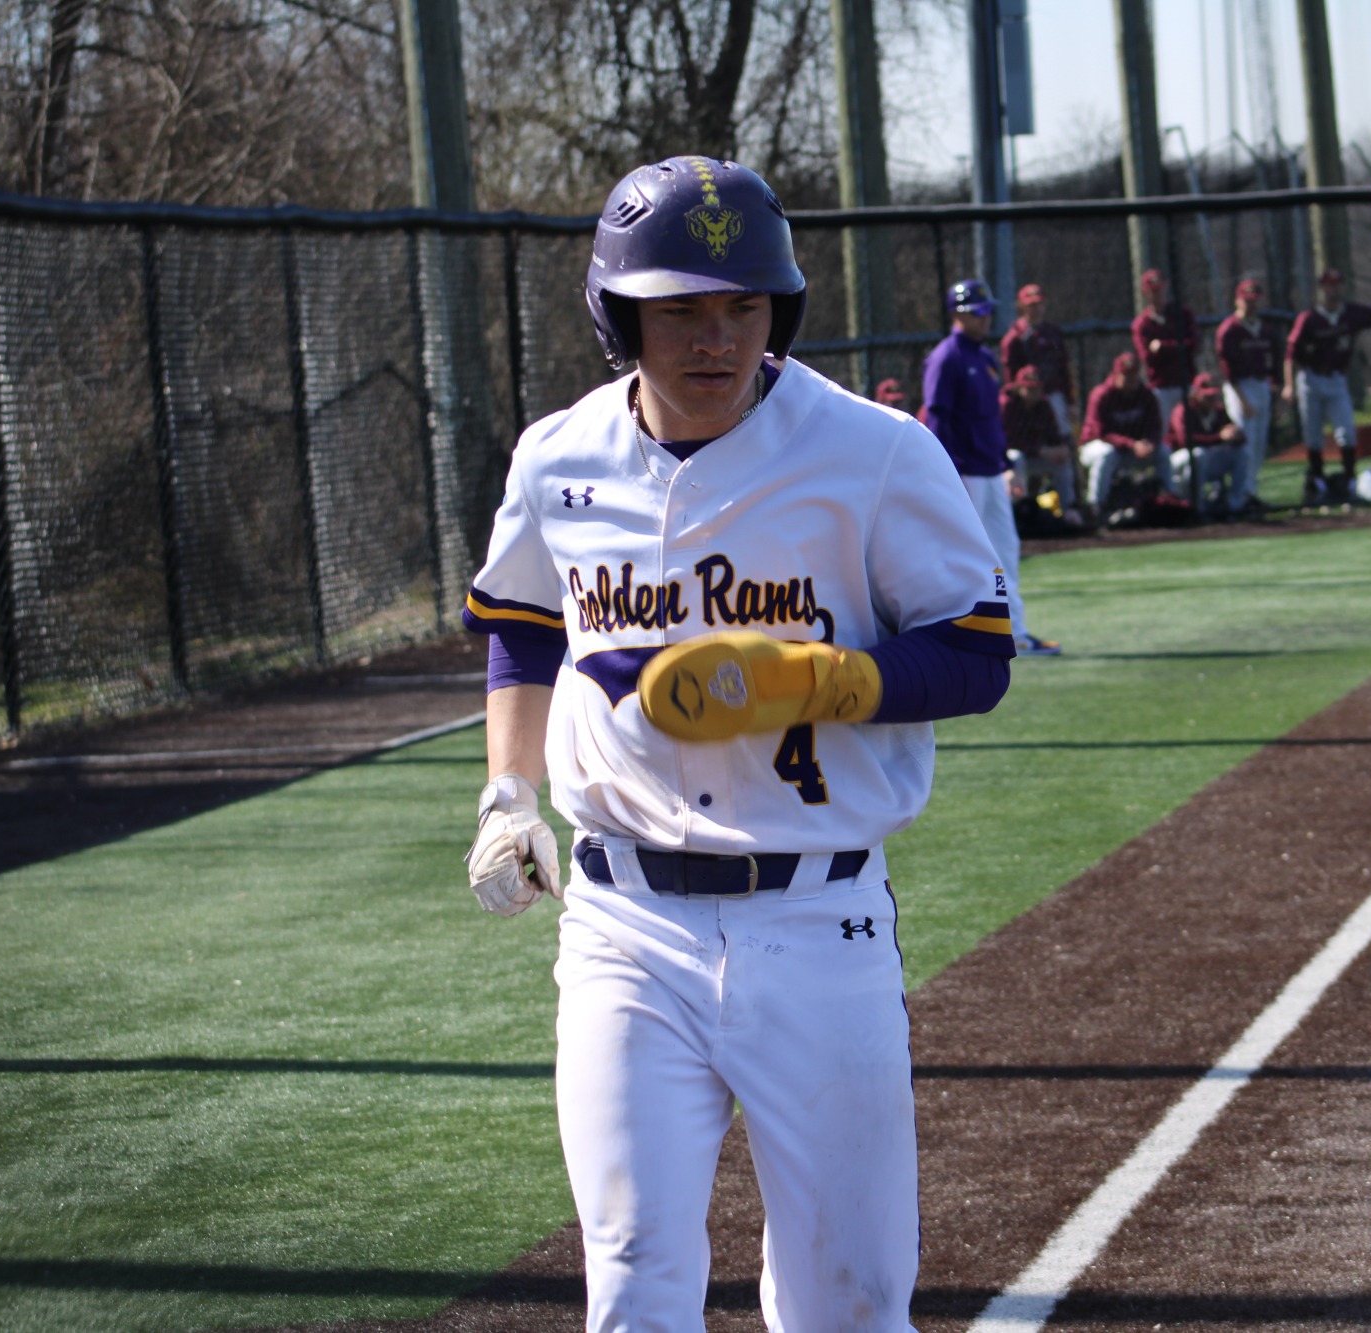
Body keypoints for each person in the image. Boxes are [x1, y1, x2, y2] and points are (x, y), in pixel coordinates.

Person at [460, 156, 1018, 1333]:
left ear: (779, 311)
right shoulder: (558, 456)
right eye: (679, 310)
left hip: (818, 920)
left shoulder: (870, 451)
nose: (715, 338)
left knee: (846, 1303)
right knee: (631, 1280)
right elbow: (520, 624)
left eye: (742, 306)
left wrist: (831, 679)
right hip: (622, 925)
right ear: (619, 316)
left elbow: (976, 651)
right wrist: (507, 794)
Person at [924, 277, 1062, 655]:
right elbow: (937, 418)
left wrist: (1005, 463)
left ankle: (1014, 633)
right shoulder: (946, 357)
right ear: (957, 314)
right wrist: (947, 471)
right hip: (965, 473)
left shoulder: (984, 357)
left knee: (1005, 551)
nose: (985, 318)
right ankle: (956, 635)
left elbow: (991, 421)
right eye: (977, 311)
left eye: (988, 310)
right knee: (963, 557)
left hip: (991, 471)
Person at [1284, 267, 1371, 506]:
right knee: (1313, 435)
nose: (1333, 289)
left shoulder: (1350, 313)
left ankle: (1349, 481)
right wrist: (1289, 385)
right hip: (1311, 378)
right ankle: (1319, 483)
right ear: (1321, 288)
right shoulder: (1309, 318)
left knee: (1346, 431)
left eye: (1337, 284)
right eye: (1329, 285)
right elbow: (1291, 354)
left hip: (1336, 378)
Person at [1215, 276, 1280, 515]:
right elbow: (1227, 369)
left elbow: (1274, 362)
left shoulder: (1265, 329)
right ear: (1237, 300)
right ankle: (1237, 494)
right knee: (1243, 442)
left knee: (1259, 443)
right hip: (1240, 387)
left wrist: (1275, 391)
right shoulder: (1230, 329)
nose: (1251, 304)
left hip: (1261, 384)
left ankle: (1250, 491)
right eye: (1246, 300)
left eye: (1254, 300)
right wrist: (1242, 398)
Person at [1131, 267, 1198, 494]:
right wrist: (1176, 348)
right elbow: (1148, 357)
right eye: (1152, 290)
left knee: (1191, 434)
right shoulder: (1142, 323)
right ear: (1145, 293)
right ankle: (1168, 489)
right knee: (1164, 439)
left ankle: (1190, 487)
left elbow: (1192, 345)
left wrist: (1164, 347)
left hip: (1186, 383)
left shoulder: (1182, 314)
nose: (1157, 294)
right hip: (1160, 388)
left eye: (1160, 289)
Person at [1077, 351, 1164, 524]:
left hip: (1132, 450)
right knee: (1106, 454)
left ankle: (1170, 500)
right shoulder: (1101, 394)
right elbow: (1102, 433)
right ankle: (1096, 507)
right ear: (1115, 374)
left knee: (1164, 451)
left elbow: (1155, 427)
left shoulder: (1146, 395)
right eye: (1126, 374)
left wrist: (1150, 442)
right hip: (1094, 447)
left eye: (1133, 374)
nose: (1130, 379)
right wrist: (1132, 444)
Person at [999, 365, 1079, 519]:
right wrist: (1040, 450)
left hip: (1036, 457)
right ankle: (1019, 510)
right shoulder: (1007, 405)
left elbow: (1054, 435)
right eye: (1029, 388)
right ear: (1019, 387)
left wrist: (1061, 448)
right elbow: (1007, 442)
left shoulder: (1043, 405)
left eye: (1036, 388)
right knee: (1016, 456)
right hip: (1008, 463)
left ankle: (1068, 511)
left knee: (1062, 462)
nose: (1034, 392)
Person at [1166, 372, 1245, 519]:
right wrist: (1219, 438)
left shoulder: (1218, 410)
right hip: (1179, 462)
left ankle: (1235, 505)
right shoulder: (1183, 410)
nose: (1211, 399)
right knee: (1198, 454)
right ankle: (1196, 506)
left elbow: (1240, 438)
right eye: (1206, 395)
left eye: (1213, 395)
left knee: (1241, 453)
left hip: (1206, 459)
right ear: (1196, 393)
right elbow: (1185, 441)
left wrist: (1236, 435)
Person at [1001, 283, 1077, 435]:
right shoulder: (1015, 336)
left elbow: (1063, 367)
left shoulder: (1052, 332)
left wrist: (1070, 401)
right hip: (1028, 399)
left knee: (1062, 435)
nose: (1036, 308)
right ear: (1021, 306)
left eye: (1039, 303)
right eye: (1031, 305)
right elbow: (1010, 374)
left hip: (1053, 393)